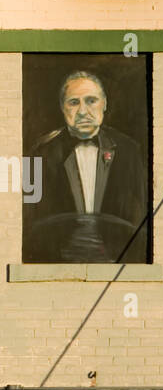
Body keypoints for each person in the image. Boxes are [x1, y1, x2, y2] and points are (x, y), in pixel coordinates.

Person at [24, 70, 149, 263]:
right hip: (57, 265)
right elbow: (31, 221)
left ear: (104, 103)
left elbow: (139, 215)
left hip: (115, 264)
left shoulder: (129, 151)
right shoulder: (42, 153)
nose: (83, 111)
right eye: (74, 102)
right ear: (62, 107)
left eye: (91, 101)